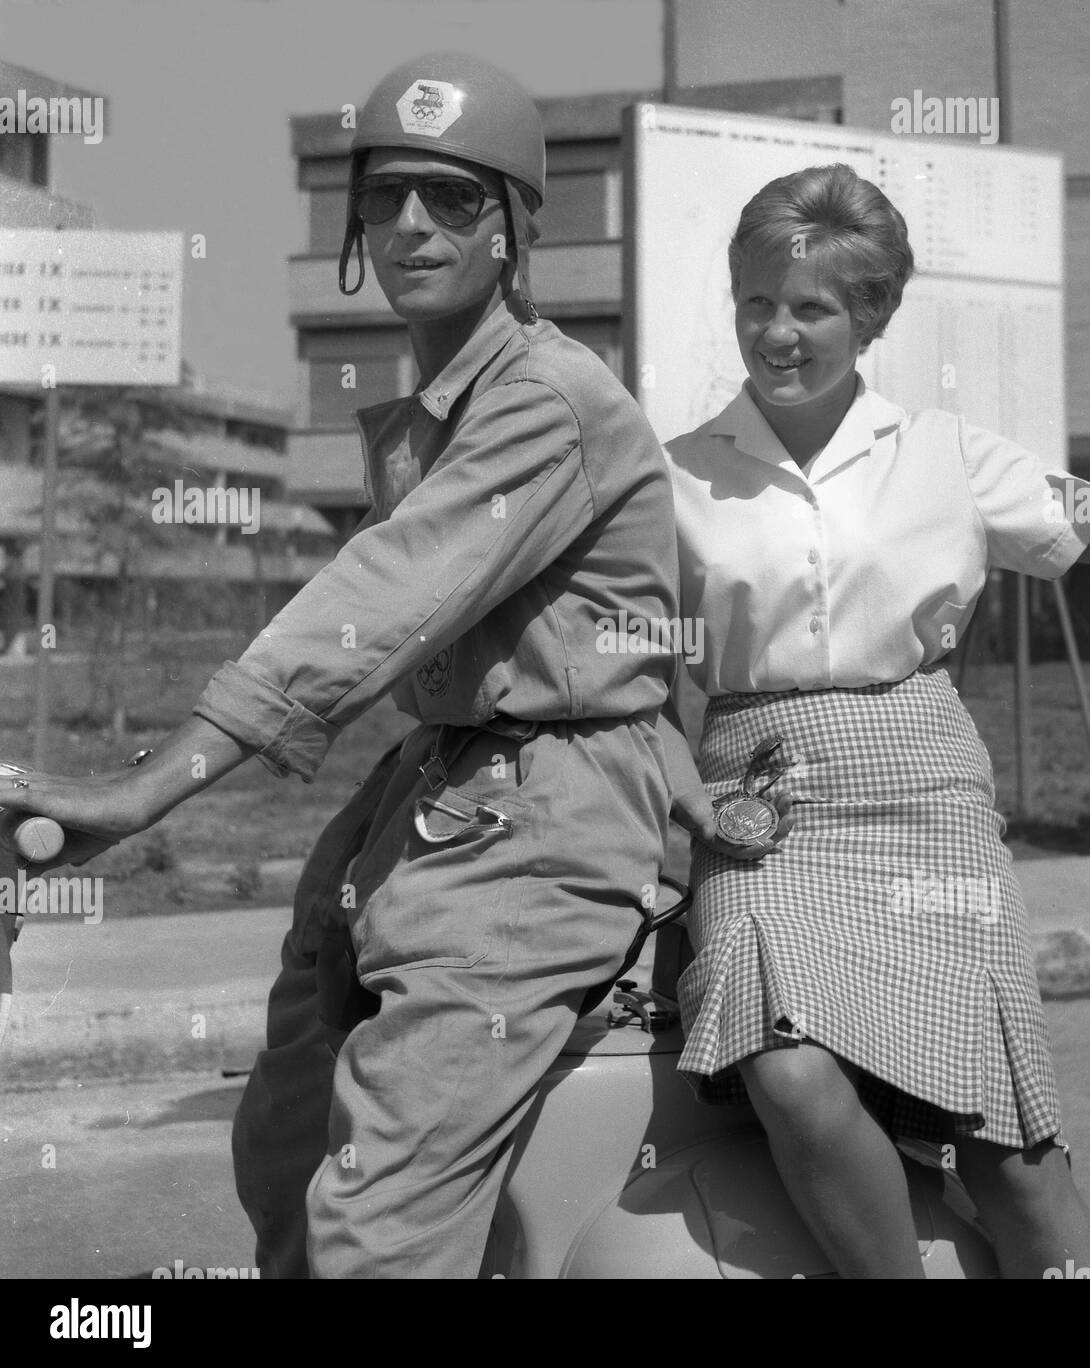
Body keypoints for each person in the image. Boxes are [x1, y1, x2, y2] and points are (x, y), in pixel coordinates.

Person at [1, 52, 682, 1278]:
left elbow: (368, 603)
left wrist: (141, 791)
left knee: (374, 1221)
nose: (413, 223)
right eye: (386, 196)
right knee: (286, 1139)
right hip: (440, 784)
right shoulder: (444, 400)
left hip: (550, 811)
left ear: (515, 228)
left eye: (455, 198)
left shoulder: (544, 399)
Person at [657, 163, 1090, 1278]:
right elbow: (640, 674)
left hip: (924, 797)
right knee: (786, 1069)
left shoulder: (951, 456)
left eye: (811, 306)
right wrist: (683, 800)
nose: (777, 331)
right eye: (756, 303)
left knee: (1008, 1159)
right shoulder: (673, 475)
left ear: (869, 315)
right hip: (760, 811)